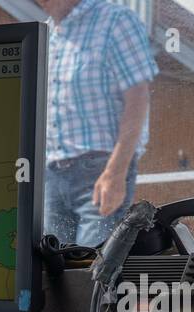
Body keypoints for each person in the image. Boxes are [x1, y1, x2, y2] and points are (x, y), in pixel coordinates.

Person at [37, 0, 158, 247]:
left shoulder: (116, 20)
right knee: (53, 271)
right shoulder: (47, 32)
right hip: (51, 175)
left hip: (101, 172)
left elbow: (137, 99)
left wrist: (116, 173)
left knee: (91, 270)